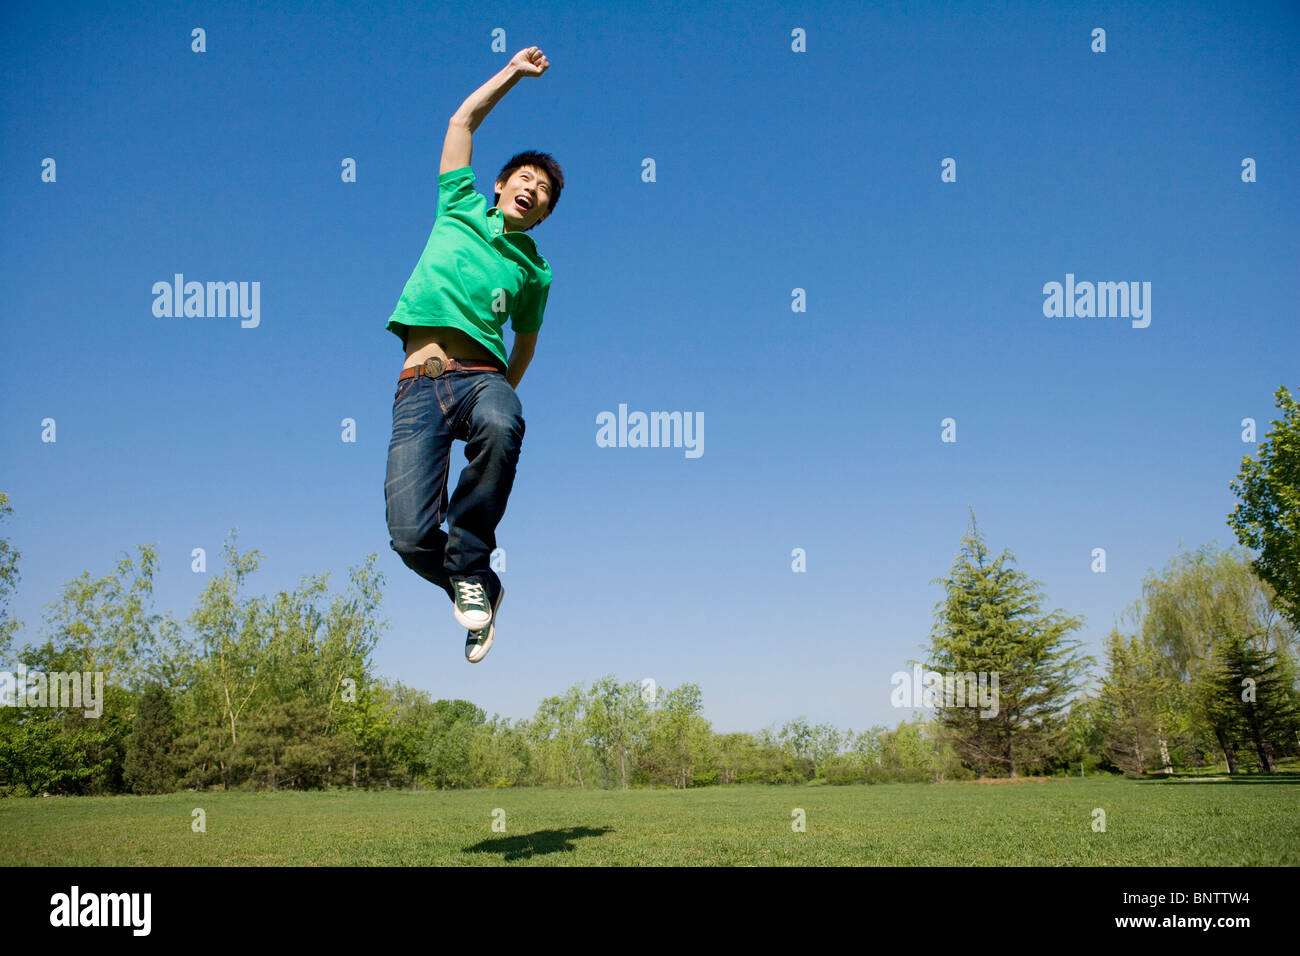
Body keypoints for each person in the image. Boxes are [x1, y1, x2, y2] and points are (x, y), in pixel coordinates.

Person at [384, 46, 563, 663]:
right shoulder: (457, 208)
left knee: (502, 418)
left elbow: (527, 343)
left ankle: (470, 555)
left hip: (482, 378)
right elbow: (461, 123)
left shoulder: (534, 271)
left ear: (542, 215)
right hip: (416, 385)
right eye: (525, 180)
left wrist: (499, 396)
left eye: (543, 193)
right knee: (408, 537)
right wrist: (513, 72)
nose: (532, 190)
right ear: (500, 183)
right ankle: (476, 585)